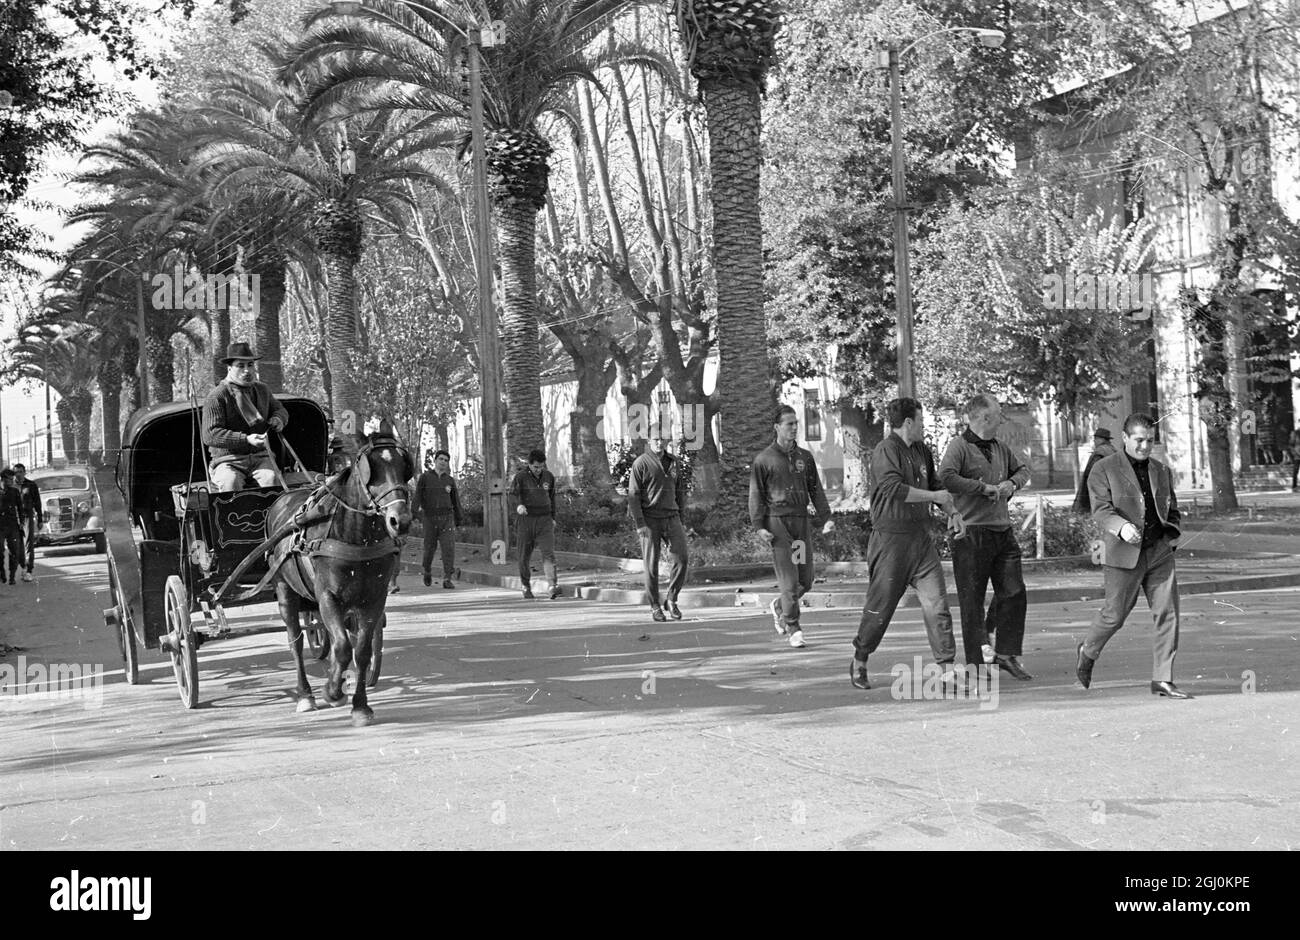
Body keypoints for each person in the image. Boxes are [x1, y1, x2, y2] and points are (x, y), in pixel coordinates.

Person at [850, 398, 966, 690]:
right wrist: (935, 498)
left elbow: (936, 487)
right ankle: (861, 658)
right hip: (890, 541)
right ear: (909, 423)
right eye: (921, 420)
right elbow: (892, 489)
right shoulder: (886, 450)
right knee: (881, 608)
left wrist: (952, 511)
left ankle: (947, 670)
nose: (923, 425)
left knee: (938, 604)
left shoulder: (922, 451)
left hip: (920, 540)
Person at [1075, 413, 1190, 698]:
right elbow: (1100, 510)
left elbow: (1170, 508)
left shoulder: (1161, 470)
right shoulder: (1103, 468)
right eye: (1139, 440)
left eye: (1150, 441)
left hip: (1159, 552)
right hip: (1123, 553)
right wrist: (1122, 527)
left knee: (1168, 614)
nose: (1144, 447)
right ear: (1125, 438)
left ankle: (1162, 679)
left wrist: (1172, 535)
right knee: (1115, 615)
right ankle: (1088, 650)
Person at [939, 394, 1033, 680]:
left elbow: (1023, 470)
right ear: (984, 417)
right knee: (972, 602)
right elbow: (946, 477)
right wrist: (981, 488)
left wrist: (1010, 484)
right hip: (970, 533)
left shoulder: (1000, 446)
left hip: (1002, 530)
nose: (1002, 418)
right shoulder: (959, 446)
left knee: (1014, 591)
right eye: (998, 413)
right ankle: (976, 666)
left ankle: (1005, 653)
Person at [749, 404, 833, 649]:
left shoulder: (804, 458)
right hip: (777, 524)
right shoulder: (764, 460)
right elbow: (756, 494)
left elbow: (815, 490)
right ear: (777, 427)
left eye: (796, 423)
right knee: (788, 579)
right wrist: (759, 525)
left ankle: (779, 606)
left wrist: (826, 517)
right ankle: (793, 627)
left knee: (804, 580)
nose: (794, 428)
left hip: (800, 523)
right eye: (789, 424)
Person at [201, 342, 290, 492]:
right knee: (230, 483)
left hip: (261, 457)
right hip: (228, 461)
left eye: (250, 365)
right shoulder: (217, 396)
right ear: (229, 368)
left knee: (272, 479)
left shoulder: (262, 390)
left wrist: (278, 419)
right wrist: (246, 439)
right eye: (240, 366)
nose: (247, 370)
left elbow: (280, 410)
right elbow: (210, 435)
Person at [628, 433, 689, 622]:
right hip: (650, 519)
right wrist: (640, 524)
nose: (659, 442)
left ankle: (672, 599)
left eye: (663, 439)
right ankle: (655, 606)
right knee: (651, 566)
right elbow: (633, 496)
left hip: (672, 517)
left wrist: (681, 517)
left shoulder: (673, 461)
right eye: (655, 439)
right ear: (648, 441)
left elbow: (680, 491)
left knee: (682, 558)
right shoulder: (641, 463)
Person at [509, 449, 559, 599]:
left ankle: (552, 585)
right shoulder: (521, 477)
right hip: (526, 520)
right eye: (536, 467)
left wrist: (553, 517)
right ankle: (525, 585)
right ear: (529, 465)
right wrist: (518, 506)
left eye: (541, 466)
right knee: (524, 555)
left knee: (548, 553)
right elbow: (512, 495)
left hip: (544, 520)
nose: (538, 470)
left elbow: (552, 498)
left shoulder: (548, 477)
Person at [413, 449, 463, 589]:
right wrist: (414, 513)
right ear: (435, 460)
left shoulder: (449, 480)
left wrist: (459, 519)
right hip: (430, 518)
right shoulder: (425, 477)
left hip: (447, 518)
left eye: (446, 460)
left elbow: (455, 501)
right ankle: (427, 570)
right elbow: (417, 496)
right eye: (441, 459)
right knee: (429, 548)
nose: (443, 462)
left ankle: (447, 578)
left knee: (448, 548)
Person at [12, 463, 44, 582]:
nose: (18, 474)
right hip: (13, 518)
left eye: (21, 471)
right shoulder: (10, 486)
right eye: (16, 472)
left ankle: (28, 570)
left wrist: (40, 519)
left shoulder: (31, 485)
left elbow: (38, 503)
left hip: (27, 517)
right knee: (15, 546)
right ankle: (23, 566)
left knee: (29, 544)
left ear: (24, 472)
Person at [1072, 428, 1116, 514]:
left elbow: (1092, 471)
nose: (1094, 441)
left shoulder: (1100, 452)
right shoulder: (1113, 450)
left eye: (1096, 439)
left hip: (1099, 486)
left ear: (1101, 439)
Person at [0, 469, 24, 586]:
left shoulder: (14, 492)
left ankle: (12, 576)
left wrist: (22, 522)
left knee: (14, 551)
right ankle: (2, 572)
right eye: (8, 479)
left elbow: (20, 508)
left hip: (12, 525)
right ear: (2, 479)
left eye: (11, 479)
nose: (10, 481)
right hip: (0, 526)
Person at [1290, 424, 1300, 492]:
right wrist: (1294, 453)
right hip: (1297, 455)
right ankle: (1294, 486)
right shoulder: (1295, 433)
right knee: (1295, 471)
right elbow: (1291, 444)